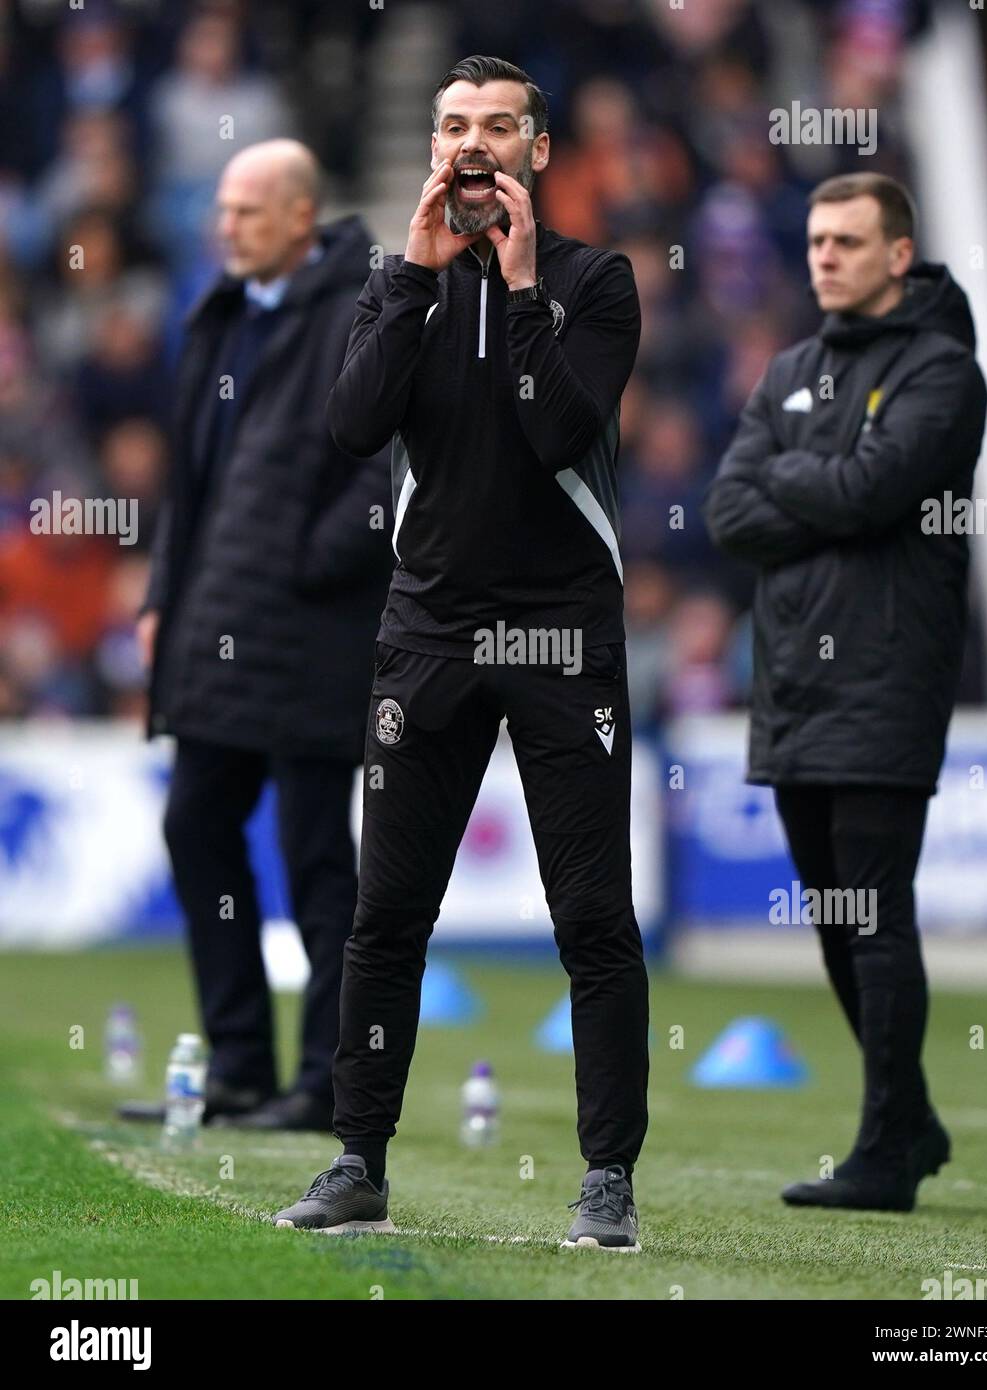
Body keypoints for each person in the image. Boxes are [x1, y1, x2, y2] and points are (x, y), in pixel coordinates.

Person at [274, 57, 648, 1250]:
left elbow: (556, 428)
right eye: (451, 125)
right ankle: (358, 1160)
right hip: (427, 630)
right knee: (385, 916)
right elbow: (350, 424)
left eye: (497, 125)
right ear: (434, 147)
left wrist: (526, 282)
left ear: (538, 150)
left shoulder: (598, 282)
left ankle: (605, 1179)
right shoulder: (402, 283)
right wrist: (411, 276)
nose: (472, 143)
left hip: (560, 636)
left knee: (590, 917)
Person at [707, 172, 987, 1211]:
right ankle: (907, 1121)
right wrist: (818, 489)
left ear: (897, 255)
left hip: (885, 679)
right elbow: (727, 510)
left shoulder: (944, 372)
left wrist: (796, 482)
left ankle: (883, 1150)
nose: (822, 255)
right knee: (835, 917)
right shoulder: (788, 366)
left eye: (847, 241)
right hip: (791, 685)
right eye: (817, 238)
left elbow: (878, 491)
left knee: (874, 915)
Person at [137, 139, 391, 1132]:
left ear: (300, 215)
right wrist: (167, 589)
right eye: (223, 210)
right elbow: (187, 484)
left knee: (317, 854)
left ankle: (325, 1084)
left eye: (247, 210)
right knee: (195, 824)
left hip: (315, 635)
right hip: (214, 624)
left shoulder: (361, 310)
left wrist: (300, 562)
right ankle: (237, 1065)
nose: (225, 226)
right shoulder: (219, 312)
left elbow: (385, 475)